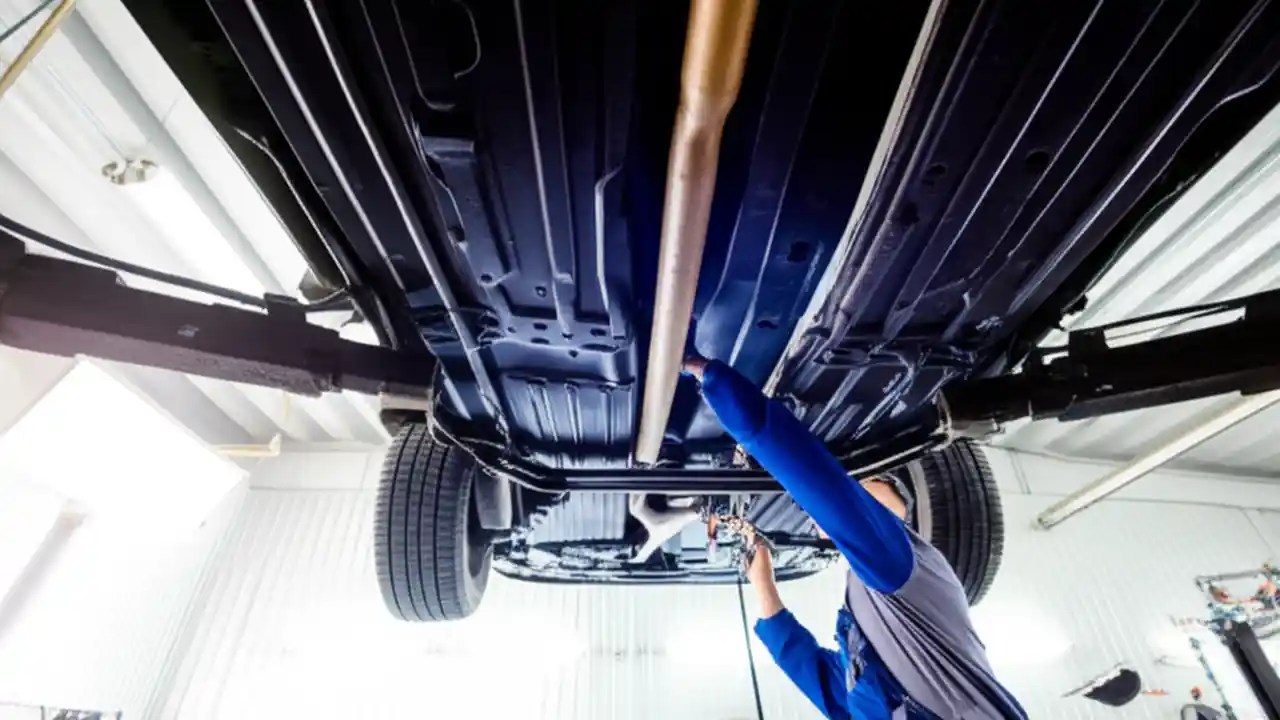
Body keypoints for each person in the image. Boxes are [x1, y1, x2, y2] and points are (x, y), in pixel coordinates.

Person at [683, 357, 1026, 720]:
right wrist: (711, 376)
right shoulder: (907, 597)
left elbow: (814, 675)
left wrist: (763, 582)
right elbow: (819, 484)